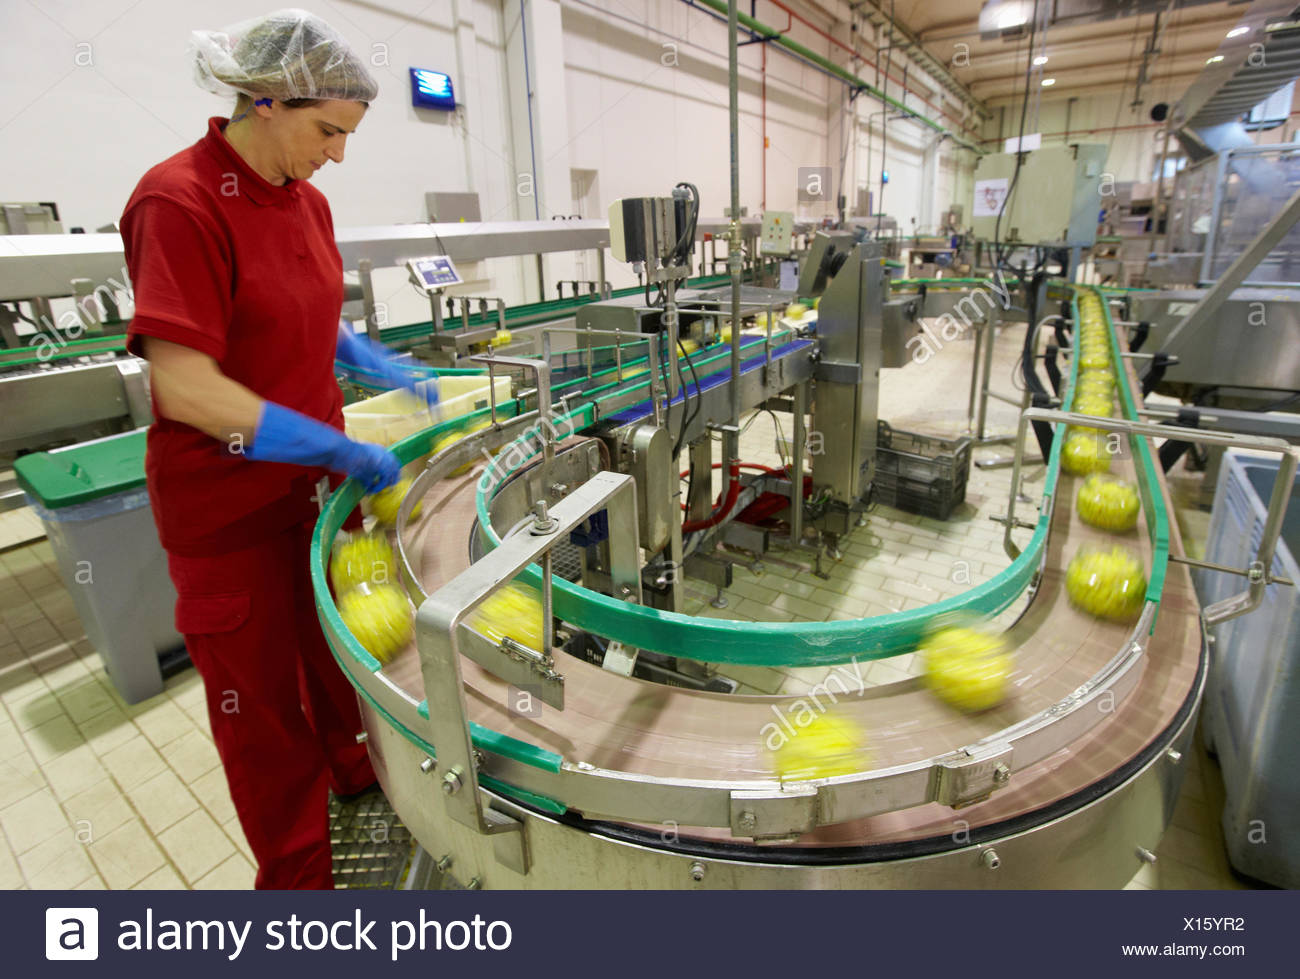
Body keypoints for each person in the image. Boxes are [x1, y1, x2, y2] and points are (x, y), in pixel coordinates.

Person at [122, 9, 431, 889]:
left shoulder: (308, 202)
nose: (337, 154)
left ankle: (363, 778)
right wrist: (338, 443)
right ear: (263, 100)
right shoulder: (176, 200)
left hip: (313, 498)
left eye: (348, 135)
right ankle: (298, 885)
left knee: (338, 664)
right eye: (327, 130)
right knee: (261, 713)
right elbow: (187, 386)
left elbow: (303, 314)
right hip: (228, 513)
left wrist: (373, 359)